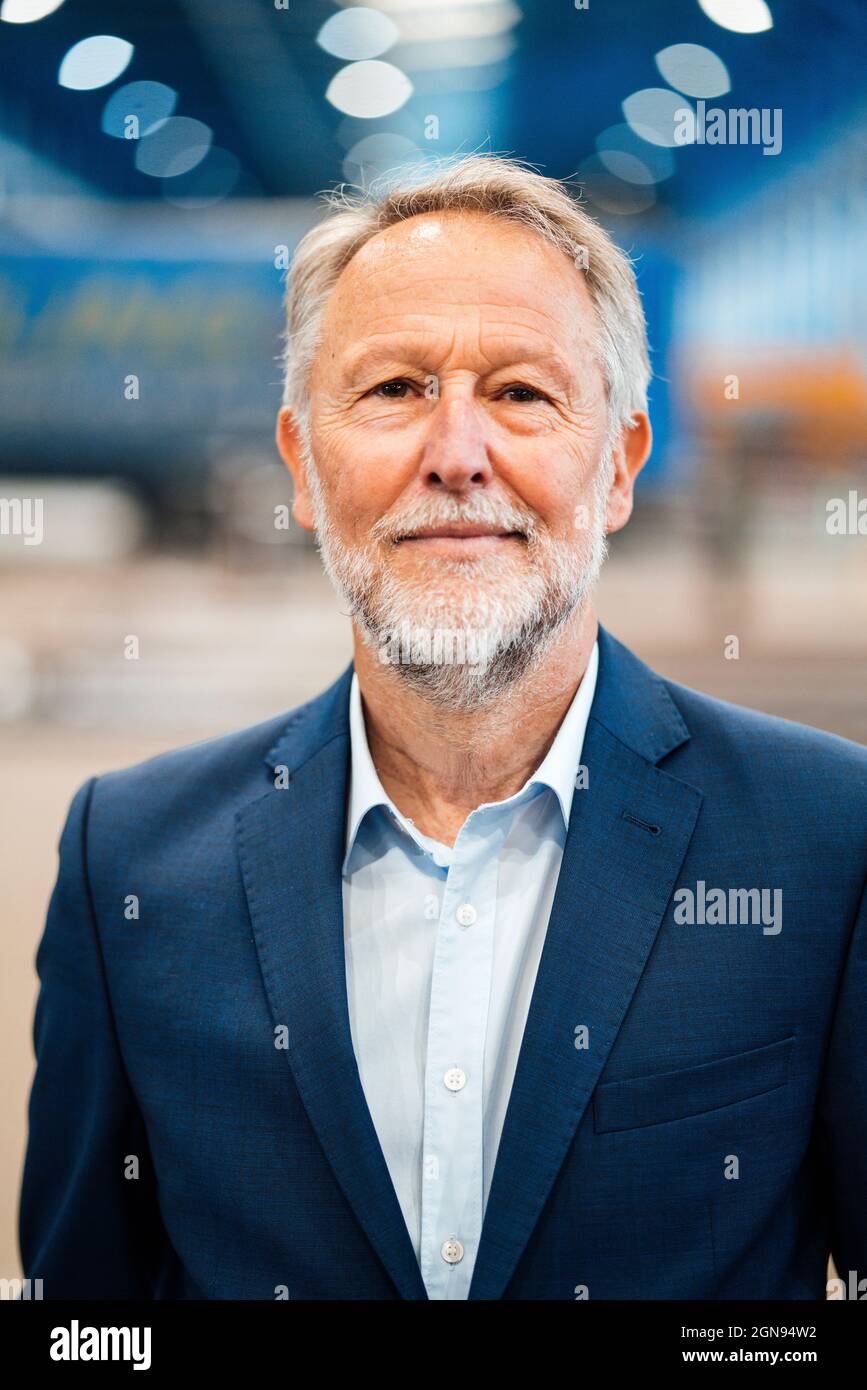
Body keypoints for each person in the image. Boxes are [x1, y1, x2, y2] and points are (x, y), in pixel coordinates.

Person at [20, 156, 867, 1300]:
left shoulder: (828, 840)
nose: (457, 453)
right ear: (304, 467)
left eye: (521, 393)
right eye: (393, 390)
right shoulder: (126, 862)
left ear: (618, 465)